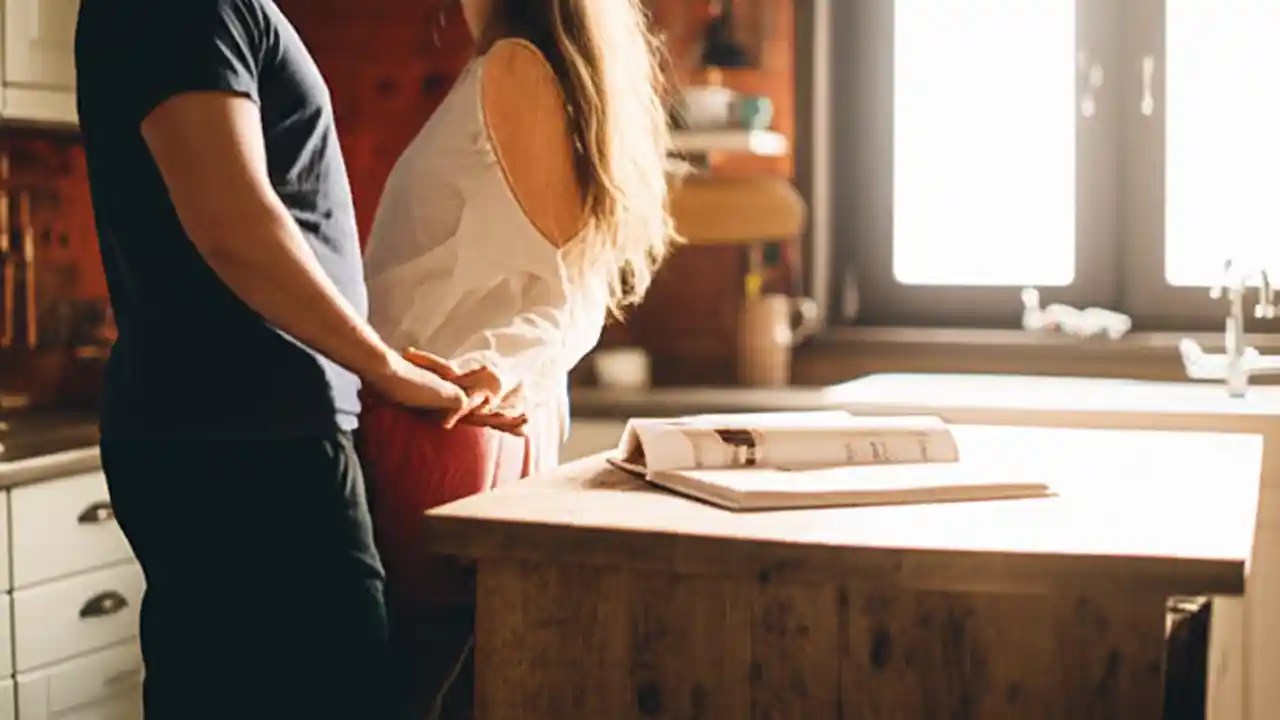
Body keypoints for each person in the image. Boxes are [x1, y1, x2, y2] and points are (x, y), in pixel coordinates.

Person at [74, 1, 511, 717]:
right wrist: (384, 369)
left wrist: (382, 369)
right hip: (247, 442)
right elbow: (233, 224)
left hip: (246, 436)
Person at [358, 0, 678, 715]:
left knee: (422, 691)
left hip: (439, 423)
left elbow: (567, 291)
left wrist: (495, 366)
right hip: (468, 419)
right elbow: (571, 293)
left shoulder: (514, 67)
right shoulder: (533, 67)